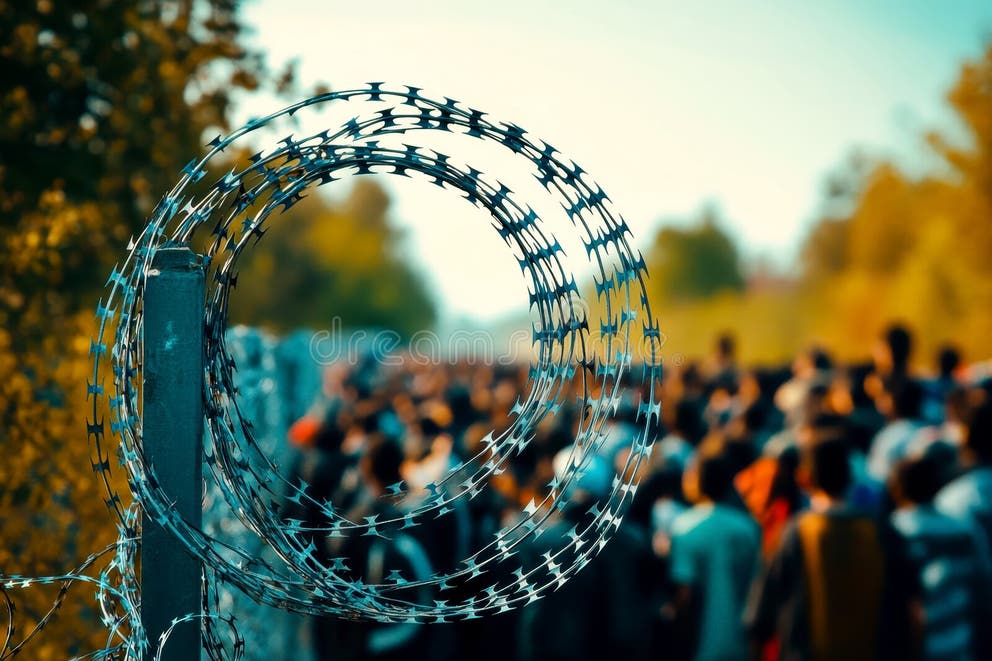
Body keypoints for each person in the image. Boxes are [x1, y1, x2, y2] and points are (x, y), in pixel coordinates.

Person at [745, 437, 918, 661]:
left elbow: (761, 616)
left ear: (804, 478)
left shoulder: (794, 534)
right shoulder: (880, 531)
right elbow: (910, 608)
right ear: (849, 476)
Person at [890, 454, 991, 661]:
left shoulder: (899, 530)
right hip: (959, 638)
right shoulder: (962, 529)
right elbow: (981, 582)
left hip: (919, 643)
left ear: (897, 490)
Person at [668, 448, 760, 661]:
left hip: (702, 646)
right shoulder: (747, 527)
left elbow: (684, 594)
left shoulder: (684, 527)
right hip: (742, 642)